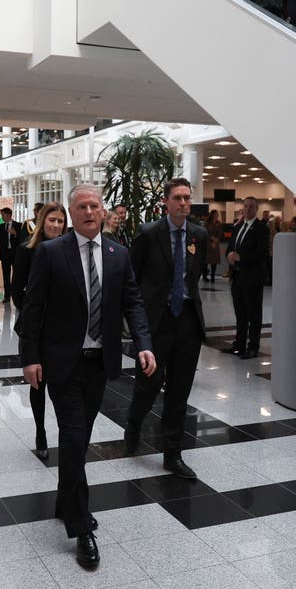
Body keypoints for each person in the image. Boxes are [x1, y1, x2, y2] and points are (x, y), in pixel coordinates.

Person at [17, 184, 155, 571]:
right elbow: (33, 309)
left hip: (100, 363)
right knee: (75, 437)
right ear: (71, 213)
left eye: (95, 205)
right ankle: (81, 527)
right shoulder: (50, 252)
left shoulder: (117, 253)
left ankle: (65, 499)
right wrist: (29, 357)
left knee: (80, 438)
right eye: (82, 206)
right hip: (62, 363)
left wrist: (143, 342)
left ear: (103, 210)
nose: (89, 211)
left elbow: (133, 301)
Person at [125, 179, 209, 480]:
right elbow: (132, 279)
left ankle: (172, 454)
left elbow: (193, 276)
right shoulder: (149, 233)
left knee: (179, 392)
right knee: (147, 386)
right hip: (156, 323)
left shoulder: (199, 234)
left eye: (187, 198)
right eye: (178, 198)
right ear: (166, 201)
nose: (183, 203)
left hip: (187, 321)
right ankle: (133, 425)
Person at [11, 202, 66, 459]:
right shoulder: (26, 250)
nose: (56, 225)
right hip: (36, 328)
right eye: (52, 220)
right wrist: (33, 318)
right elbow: (17, 291)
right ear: (42, 221)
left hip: (62, 328)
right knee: (38, 384)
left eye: (60, 221)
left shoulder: (70, 250)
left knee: (62, 383)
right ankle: (40, 431)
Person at [226, 197, 268, 358]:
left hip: (253, 279)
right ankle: (239, 344)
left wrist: (240, 257)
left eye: (251, 206)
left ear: (256, 209)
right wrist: (229, 256)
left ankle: (253, 346)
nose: (248, 209)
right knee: (240, 314)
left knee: (254, 314)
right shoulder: (238, 227)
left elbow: (261, 254)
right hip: (237, 278)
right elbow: (230, 248)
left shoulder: (261, 229)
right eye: (245, 206)